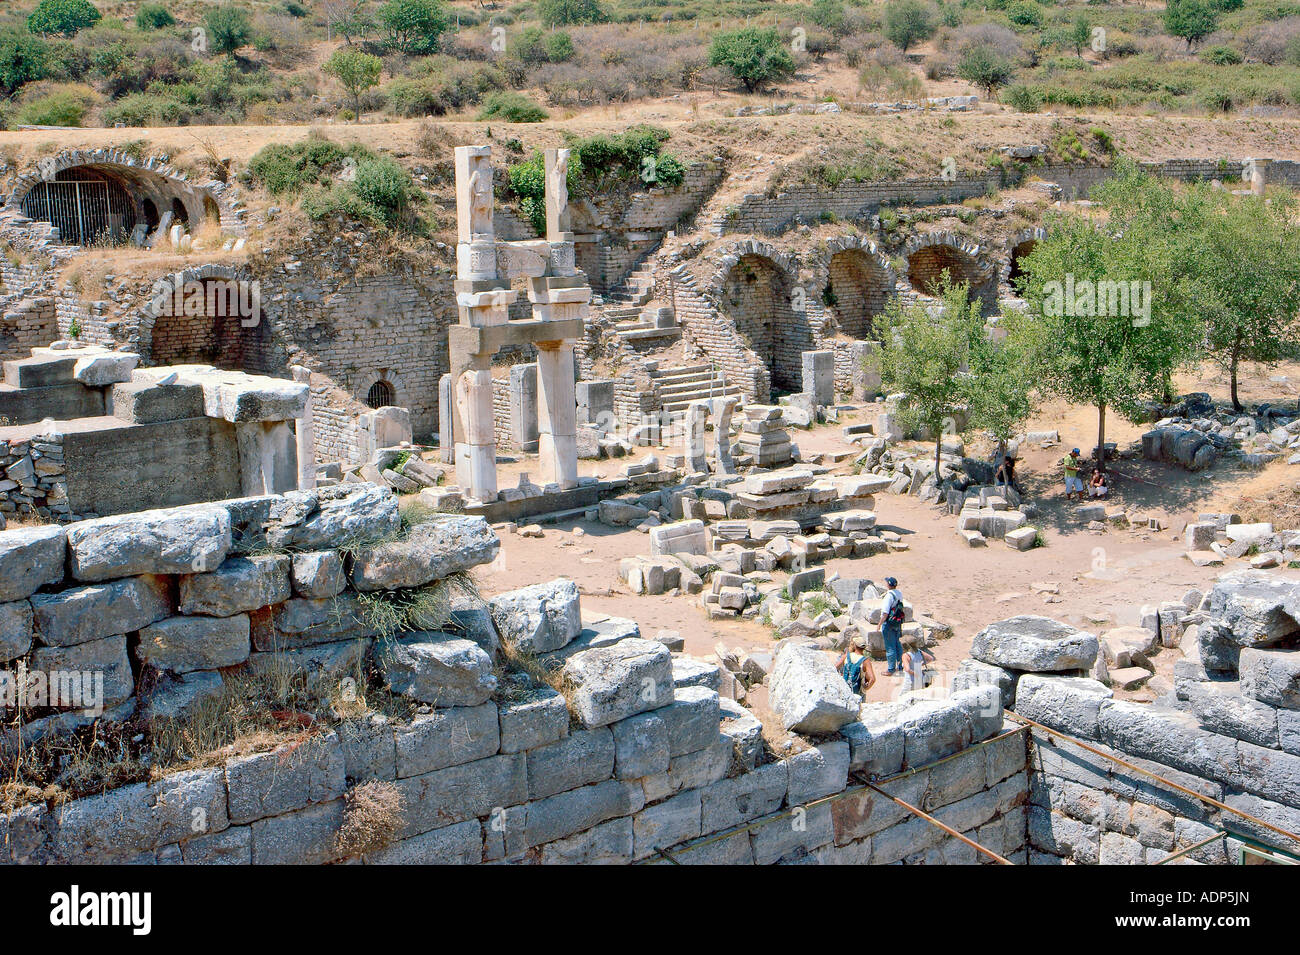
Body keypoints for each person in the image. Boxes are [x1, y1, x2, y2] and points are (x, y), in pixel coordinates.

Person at [880, 577, 905, 675]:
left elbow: (885, 613)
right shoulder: (899, 593)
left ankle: (891, 669)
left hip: (889, 623)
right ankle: (900, 666)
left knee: (890, 646)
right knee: (897, 644)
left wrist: (879, 624)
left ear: (888, 585)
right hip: (897, 622)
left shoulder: (889, 596)